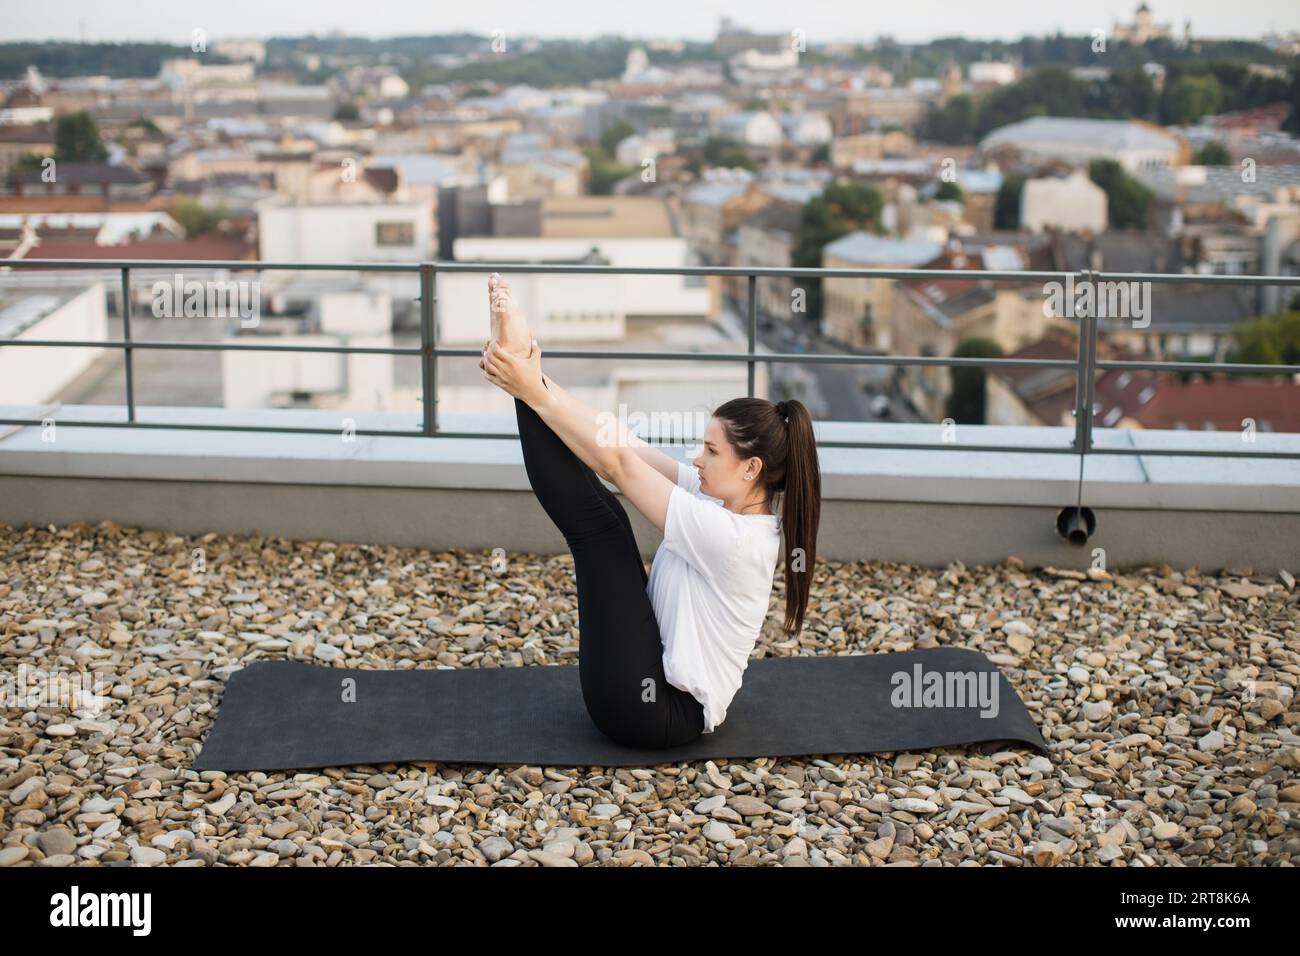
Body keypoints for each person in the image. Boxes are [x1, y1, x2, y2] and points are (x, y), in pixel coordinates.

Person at [480, 273, 821, 748]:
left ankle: (518, 374)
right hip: (645, 680)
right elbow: (621, 442)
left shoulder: (735, 539)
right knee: (609, 523)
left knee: (605, 532)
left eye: (711, 450)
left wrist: (528, 388)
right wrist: (535, 380)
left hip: (654, 711)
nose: (698, 459)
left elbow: (618, 465)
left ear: (751, 469)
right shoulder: (720, 502)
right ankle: (519, 369)